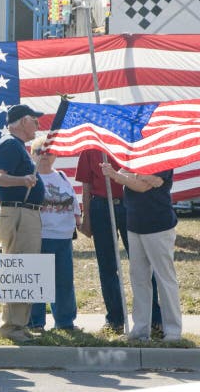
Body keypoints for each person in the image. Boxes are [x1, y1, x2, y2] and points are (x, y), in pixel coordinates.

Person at [75, 103, 163, 335]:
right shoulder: (91, 146)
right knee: (107, 266)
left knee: (142, 264)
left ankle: (155, 317)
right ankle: (114, 318)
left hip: (129, 205)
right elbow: (85, 184)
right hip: (101, 207)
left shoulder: (131, 142)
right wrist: (86, 217)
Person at [100, 165, 182, 342]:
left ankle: (173, 331)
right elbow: (135, 178)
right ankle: (140, 329)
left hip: (159, 226)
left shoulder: (163, 157)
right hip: (134, 225)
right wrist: (139, 176)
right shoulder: (134, 157)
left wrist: (118, 176)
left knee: (164, 279)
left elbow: (142, 186)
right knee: (139, 278)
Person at [0, 104, 45, 343]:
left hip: (25, 214)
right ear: (23, 121)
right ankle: (12, 327)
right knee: (18, 269)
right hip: (19, 214)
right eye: (35, 120)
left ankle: (19, 324)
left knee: (25, 270)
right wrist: (23, 180)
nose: (38, 125)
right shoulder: (10, 144)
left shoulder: (16, 146)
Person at [27, 136, 79, 331]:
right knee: (39, 281)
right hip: (40, 236)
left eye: (49, 151)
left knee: (64, 282)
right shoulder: (31, 177)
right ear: (32, 154)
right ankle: (36, 322)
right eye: (40, 151)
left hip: (63, 237)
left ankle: (65, 322)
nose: (45, 155)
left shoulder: (62, 177)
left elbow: (73, 203)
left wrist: (78, 219)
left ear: (56, 154)